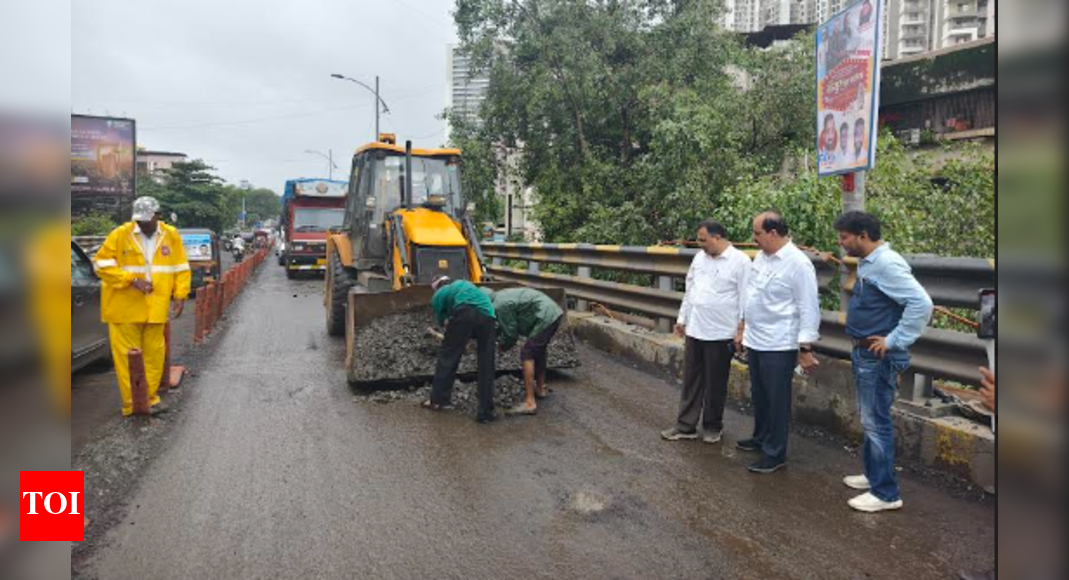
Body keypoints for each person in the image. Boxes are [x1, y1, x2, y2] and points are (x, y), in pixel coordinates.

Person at [836, 211, 934, 513]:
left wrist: (893, 341)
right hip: (865, 353)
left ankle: (886, 493)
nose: (841, 244)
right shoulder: (870, 263)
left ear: (863, 235)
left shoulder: (887, 264)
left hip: (878, 357)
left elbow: (922, 303)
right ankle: (872, 475)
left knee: (875, 421)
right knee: (870, 418)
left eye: (845, 238)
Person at [737, 212, 821, 474]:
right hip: (756, 338)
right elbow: (750, 294)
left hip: (780, 343)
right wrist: (742, 327)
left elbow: (809, 308)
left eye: (757, 233)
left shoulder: (798, 263)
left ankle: (775, 453)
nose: (754, 238)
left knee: (776, 399)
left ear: (773, 233)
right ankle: (761, 437)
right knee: (760, 395)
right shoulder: (762, 257)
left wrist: (805, 348)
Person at [93, 197, 191, 417]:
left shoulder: (171, 235)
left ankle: (149, 398)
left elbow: (180, 266)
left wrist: (181, 294)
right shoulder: (120, 234)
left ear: (158, 215)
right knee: (128, 358)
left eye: (147, 220)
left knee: (154, 356)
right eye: (139, 220)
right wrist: (131, 280)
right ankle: (132, 404)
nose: (142, 224)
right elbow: (101, 264)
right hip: (123, 309)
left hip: (156, 307)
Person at [662, 220, 751, 444]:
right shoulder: (699, 259)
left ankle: (712, 426)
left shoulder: (740, 261)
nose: (700, 244)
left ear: (717, 237)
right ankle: (685, 425)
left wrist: (742, 329)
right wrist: (682, 319)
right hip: (696, 329)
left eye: (703, 240)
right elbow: (690, 290)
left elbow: (746, 298)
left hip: (721, 332)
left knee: (716, 382)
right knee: (691, 380)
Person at [424, 276, 498, 424]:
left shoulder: (440, 293)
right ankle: (486, 412)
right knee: (486, 364)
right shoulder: (466, 285)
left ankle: (438, 400)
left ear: (438, 286)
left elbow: (442, 320)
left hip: (464, 312)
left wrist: (451, 333)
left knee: (448, 356)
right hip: (489, 317)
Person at [483, 287, 565, 416]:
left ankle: (529, 403)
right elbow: (505, 324)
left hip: (545, 315)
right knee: (539, 350)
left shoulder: (499, 305)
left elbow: (511, 334)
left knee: (527, 354)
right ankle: (540, 389)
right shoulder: (501, 295)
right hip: (554, 312)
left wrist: (502, 347)